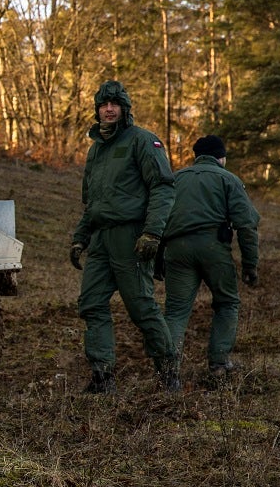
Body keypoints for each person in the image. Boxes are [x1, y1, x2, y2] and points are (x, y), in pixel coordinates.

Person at [69, 80, 178, 393]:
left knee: (141, 306)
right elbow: (94, 201)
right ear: (97, 109)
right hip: (101, 239)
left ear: (125, 108)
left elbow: (163, 187)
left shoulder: (142, 141)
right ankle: (103, 376)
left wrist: (152, 233)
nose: (108, 109)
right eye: (103, 104)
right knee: (91, 304)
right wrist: (81, 237)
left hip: (132, 237)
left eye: (115, 104)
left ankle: (169, 370)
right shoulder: (97, 151)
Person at [161, 135, 260, 387]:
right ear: (221, 157)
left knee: (175, 311)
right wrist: (250, 264)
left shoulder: (176, 178)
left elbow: (158, 217)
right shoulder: (228, 179)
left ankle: (169, 371)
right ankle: (218, 364)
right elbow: (247, 225)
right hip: (213, 247)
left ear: (197, 156)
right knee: (227, 303)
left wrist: (159, 259)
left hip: (177, 249)